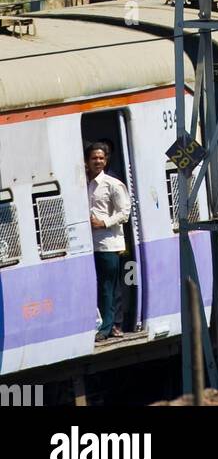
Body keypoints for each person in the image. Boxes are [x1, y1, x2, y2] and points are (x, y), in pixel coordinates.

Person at [85, 141, 131, 343]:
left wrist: (103, 222)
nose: (98, 161)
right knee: (100, 286)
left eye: (101, 158)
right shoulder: (84, 184)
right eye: (94, 158)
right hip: (89, 245)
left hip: (108, 244)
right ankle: (107, 324)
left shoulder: (113, 185)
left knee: (107, 287)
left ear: (106, 160)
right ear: (87, 161)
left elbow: (125, 213)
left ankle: (106, 327)